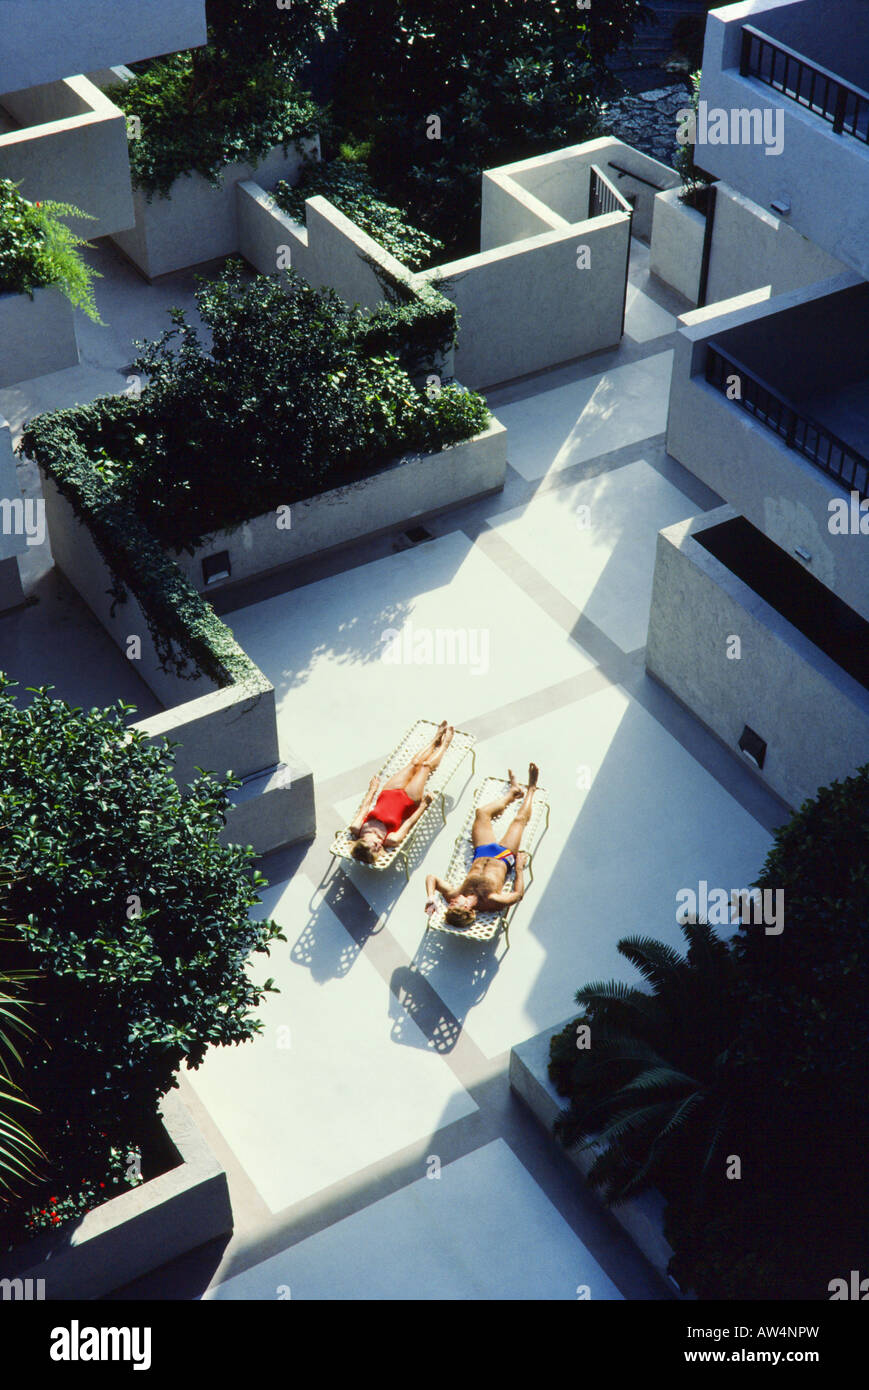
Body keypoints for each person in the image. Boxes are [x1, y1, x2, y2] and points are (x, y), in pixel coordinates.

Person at [425, 764, 539, 928]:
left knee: (482, 813)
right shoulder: (491, 902)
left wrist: (431, 897)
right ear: (465, 907)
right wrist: (519, 868)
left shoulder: (455, 894)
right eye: (453, 905)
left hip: (482, 850)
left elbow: (431, 878)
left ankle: (512, 793)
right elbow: (518, 895)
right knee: (519, 820)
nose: (450, 902)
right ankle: (531, 789)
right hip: (503, 856)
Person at [348, 722, 455, 864]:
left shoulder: (357, 828)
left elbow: (365, 807)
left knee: (414, 762)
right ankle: (445, 744)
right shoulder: (391, 839)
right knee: (425, 766)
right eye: (378, 851)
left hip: (389, 792)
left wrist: (373, 789)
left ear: (363, 841)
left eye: (374, 847)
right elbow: (409, 822)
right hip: (409, 800)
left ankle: (436, 739)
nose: (378, 846)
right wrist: (424, 805)